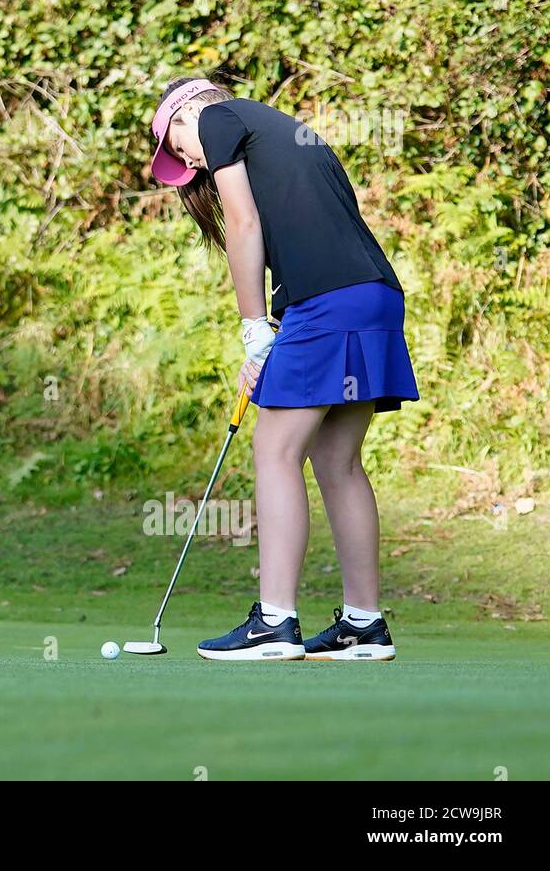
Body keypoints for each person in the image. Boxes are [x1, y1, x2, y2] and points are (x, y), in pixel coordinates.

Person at [148, 77, 418, 661]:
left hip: (327, 302)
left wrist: (254, 331)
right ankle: (362, 626)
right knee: (336, 460)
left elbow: (244, 225)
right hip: (372, 295)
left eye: (176, 145)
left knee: (273, 449)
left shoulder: (219, 118)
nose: (187, 162)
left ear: (186, 111)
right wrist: (277, 326)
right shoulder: (286, 133)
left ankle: (274, 623)